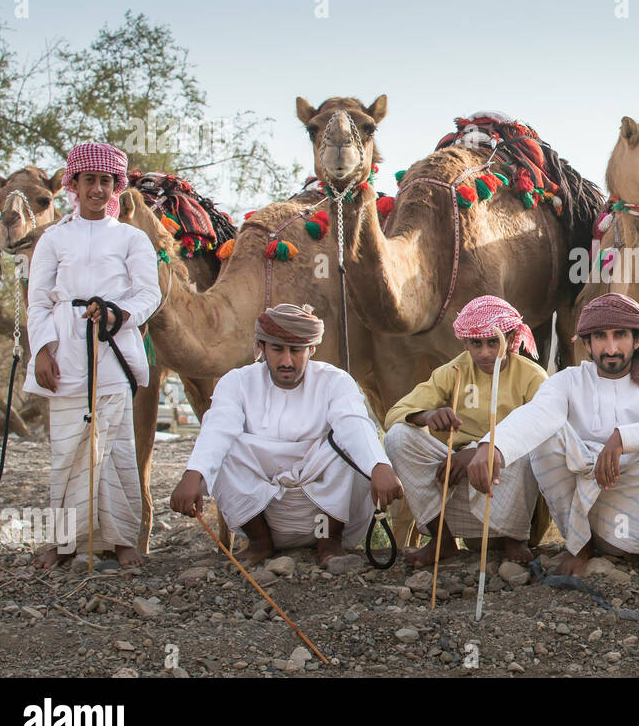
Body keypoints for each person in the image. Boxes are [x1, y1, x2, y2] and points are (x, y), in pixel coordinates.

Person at [472, 293, 639, 579]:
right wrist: (494, 445)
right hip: (590, 514)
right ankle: (580, 546)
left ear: (637, 340)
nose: (610, 348)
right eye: (600, 336)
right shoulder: (568, 381)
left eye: (620, 335)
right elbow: (537, 415)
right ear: (587, 343)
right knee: (547, 439)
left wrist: (625, 438)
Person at [169, 304, 403, 566]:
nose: (287, 361)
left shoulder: (335, 380)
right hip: (261, 510)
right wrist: (194, 473)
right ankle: (259, 544)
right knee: (226, 446)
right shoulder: (236, 382)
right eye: (277, 349)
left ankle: (329, 545)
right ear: (262, 347)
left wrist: (379, 466)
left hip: (321, 512)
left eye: (296, 350)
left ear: (311, 350)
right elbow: (218, 428)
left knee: (348, 444)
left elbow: (353, 422)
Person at [26, 143, 161, 569]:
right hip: (65, 349)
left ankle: (122, 541)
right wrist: (43, 351)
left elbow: (148, 294)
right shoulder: (54, 237)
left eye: (106, 181)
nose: (98, 189)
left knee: (117, 445)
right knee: (67, 447)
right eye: (90, 181)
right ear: (74, 184)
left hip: (113, 347)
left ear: (116, 185)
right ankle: (64, 542)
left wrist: (119, 314)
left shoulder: (131, 237)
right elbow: (38, 301)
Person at [383, 295, 547, 567]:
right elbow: (394, 415)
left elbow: (542, 427)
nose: (484, 353)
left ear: (509, 337)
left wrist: (476, 453)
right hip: (455, 475)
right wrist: (428, 415)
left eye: (493, 342)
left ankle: (514, 537)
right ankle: (442, 541)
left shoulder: (531, 377)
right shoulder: (455, 370)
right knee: (398, 437)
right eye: (476, 343)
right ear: (465, 342)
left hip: (505, 476)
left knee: (531, 449)